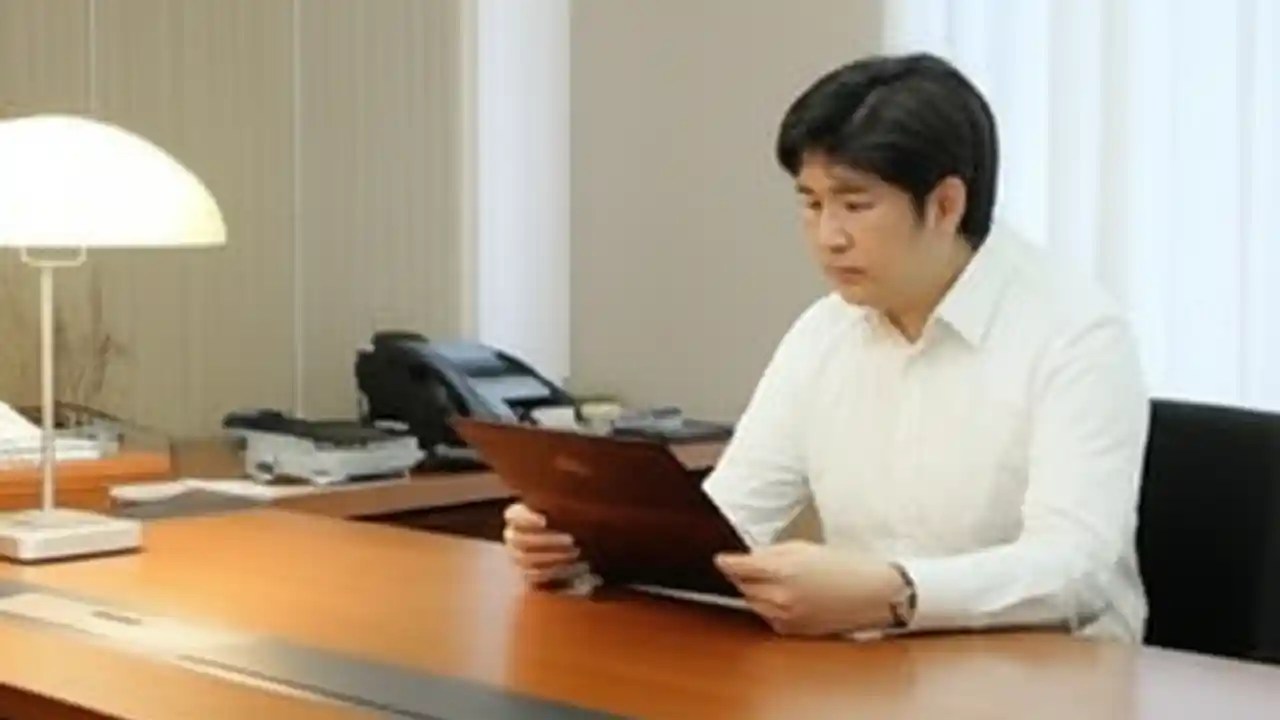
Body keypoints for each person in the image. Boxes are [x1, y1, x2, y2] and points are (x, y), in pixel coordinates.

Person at [503, 53, 1149, 642]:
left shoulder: (1076, 334)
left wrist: (898, 592)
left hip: (1055, 685)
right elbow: (732, 519)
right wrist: (589, 544)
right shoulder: (826, 331)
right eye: (810, 204)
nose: (826, 236)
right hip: (871, 673)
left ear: (947, 204)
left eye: (854, 204)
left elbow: (1075, 570)